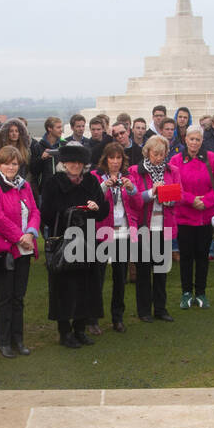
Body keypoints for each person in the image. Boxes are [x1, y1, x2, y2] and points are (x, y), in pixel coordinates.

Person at [40, 140, 108, 347]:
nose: (75, 166)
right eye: (71, 162)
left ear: (84, 164)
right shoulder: (53, 182)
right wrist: (69, 210)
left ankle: (80, 328)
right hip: (63, 241)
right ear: (64, 162)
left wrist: (96, 207)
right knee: (63, 288)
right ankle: (64, 332)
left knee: (86, 287)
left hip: (87, 241)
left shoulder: (91, 182)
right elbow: (46, 215)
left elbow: (103, 212)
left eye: (79, 162)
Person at [0, 144, 40, 358]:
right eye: (6, 163)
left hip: (24, 248)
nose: (11, 167)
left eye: (14, 163)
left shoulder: (25, 186)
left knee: (19, 297)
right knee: (5, 297)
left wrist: (31, 233)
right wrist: (18, 238)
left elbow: (34, 210)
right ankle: (4, 341)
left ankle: (18, 339)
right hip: (5, 250)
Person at [169, 127, 214, 308]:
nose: (194, 143)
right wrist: (192, 200)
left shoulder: (212, 158)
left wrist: (207, 201)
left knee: (203, 255)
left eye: (198, 139)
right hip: (184, 215)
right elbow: (173, 186)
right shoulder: (176, 160)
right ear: (186, 139)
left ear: (202, 140)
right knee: (185, 257)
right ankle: (186, 293)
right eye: (191, 139)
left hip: (205, 216)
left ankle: (201, 292)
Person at [129, 134, 179, 322]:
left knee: (161, 270)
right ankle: (144, 311)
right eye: (155, 153)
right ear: (147, 152)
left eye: (162, 154)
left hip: (164, 226)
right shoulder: (135, 171)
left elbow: (177, 195)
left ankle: (160, 308)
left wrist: (168, 195)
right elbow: (133, 200)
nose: (159, 157)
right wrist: (152, 192)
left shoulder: (172, 170)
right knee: (143, 271)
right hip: (144, 227)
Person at [92, 142, 141, 331]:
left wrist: (131, 189)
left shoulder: (128, 177)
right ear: (106, 159)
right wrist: (104, 186)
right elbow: (92, 200)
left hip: (123, 232)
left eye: (118, 158)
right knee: (98, 276)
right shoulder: (96, 176)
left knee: (120, 277)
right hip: (102, 231)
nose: (115, 162)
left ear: (123, 160)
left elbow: (137, 204)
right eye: (111, 158)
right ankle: (93, 318)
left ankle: (117, 317)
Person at [30, 116, 65, 194]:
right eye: (58, 127)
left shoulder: (64, 145)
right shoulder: (37, 146)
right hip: (43, 190)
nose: (61, 130)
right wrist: (42, 158)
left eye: (61, 127)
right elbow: (33, 170)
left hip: (62, 189)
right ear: (49, 128)